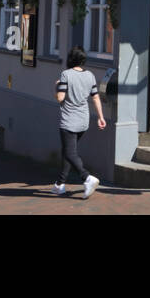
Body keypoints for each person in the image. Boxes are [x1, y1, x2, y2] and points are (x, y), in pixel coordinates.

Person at [53, 46, 106, 198]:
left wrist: (56, 86)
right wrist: (101, 117)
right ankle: (59, 184)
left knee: (70, 152)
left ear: (70, 59)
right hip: (84, 120)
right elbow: (95, 97)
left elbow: (60, 98)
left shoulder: (66, 74)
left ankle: (87, 178)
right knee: (68, 152)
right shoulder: (90, 75)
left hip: (69, 120)